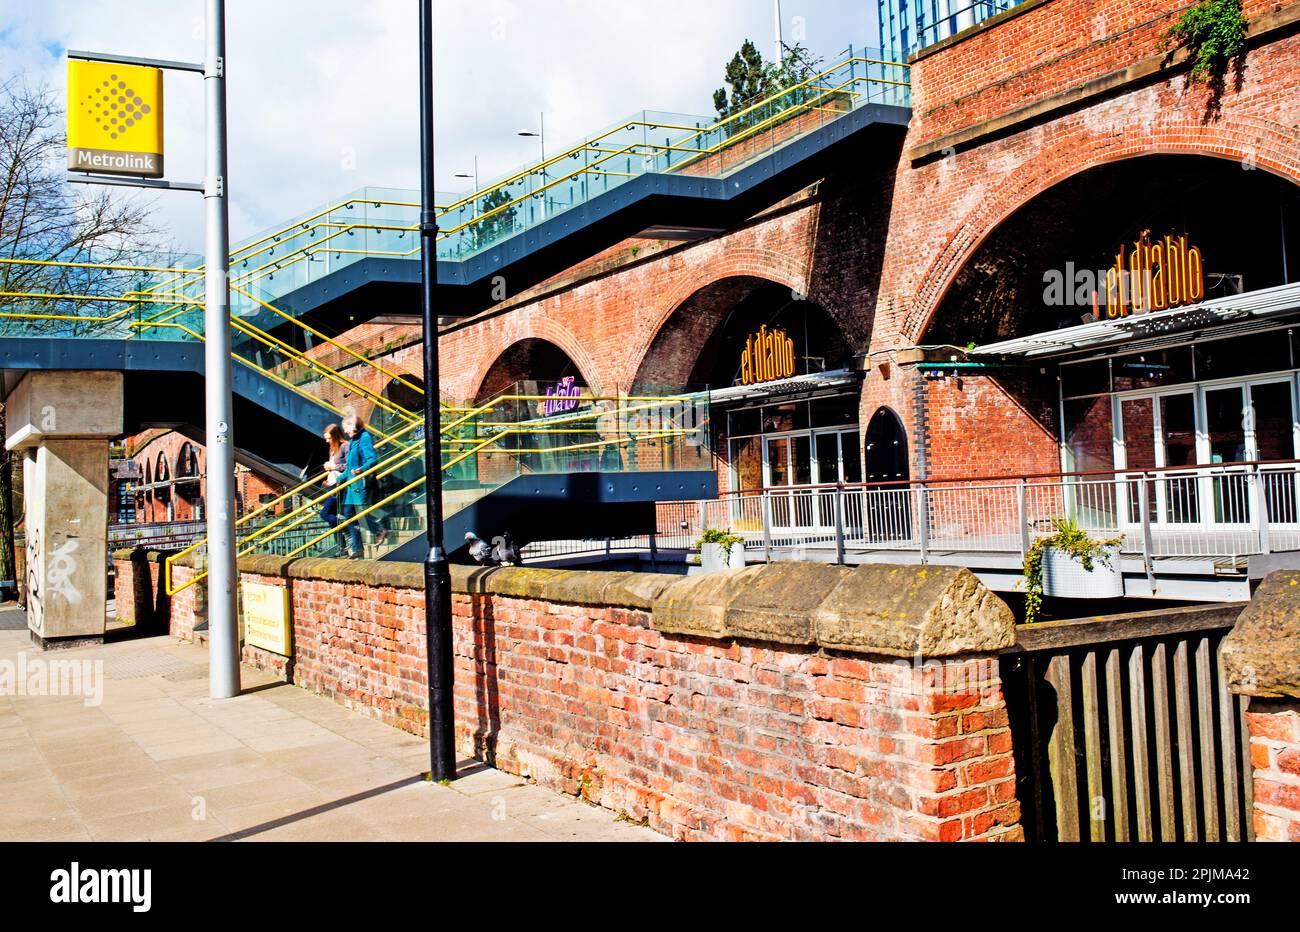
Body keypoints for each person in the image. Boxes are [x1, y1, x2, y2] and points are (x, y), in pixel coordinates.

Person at [340, 414, 390, 558]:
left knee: (359, 514)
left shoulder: (364, 437)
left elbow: (372, 459)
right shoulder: (352, 440)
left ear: (354, 425)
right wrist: (339, 478)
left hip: (360, 482)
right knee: (347, 514)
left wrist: (362, 469)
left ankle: (379, 530)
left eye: (347, 428)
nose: (345, 431)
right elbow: (350, 465)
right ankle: (358, 548)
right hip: (351, 484)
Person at [318, 424, 349, 550]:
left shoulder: (345, 446)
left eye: (328, 438)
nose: (326, 441)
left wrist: (333, 467)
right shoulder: (332, 449)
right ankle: (341, 547)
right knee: (329, 513)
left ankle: (348, 529)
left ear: (336, 436)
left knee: (324, 513)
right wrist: (328, 476)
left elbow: (349, 466)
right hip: (333, 483)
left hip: (341, 484)